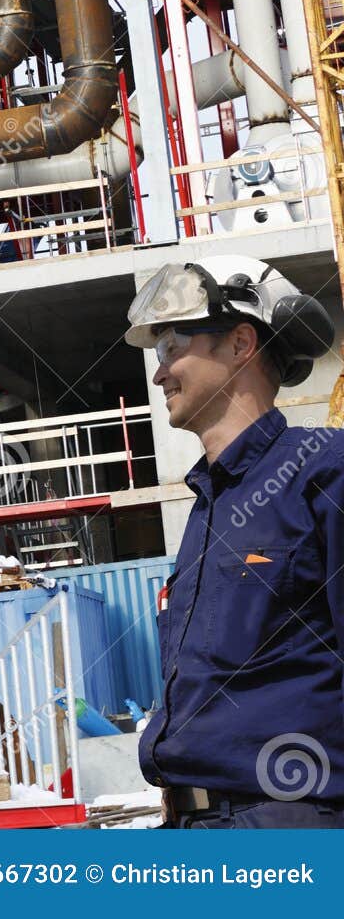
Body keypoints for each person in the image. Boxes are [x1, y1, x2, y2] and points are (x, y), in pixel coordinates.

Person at [124, 255, 343, 828]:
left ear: (241, 343)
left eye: (173, 347)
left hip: (286, 827)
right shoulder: (209, 506)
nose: (159, 373)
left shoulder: (324, 471)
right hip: (193, 824)